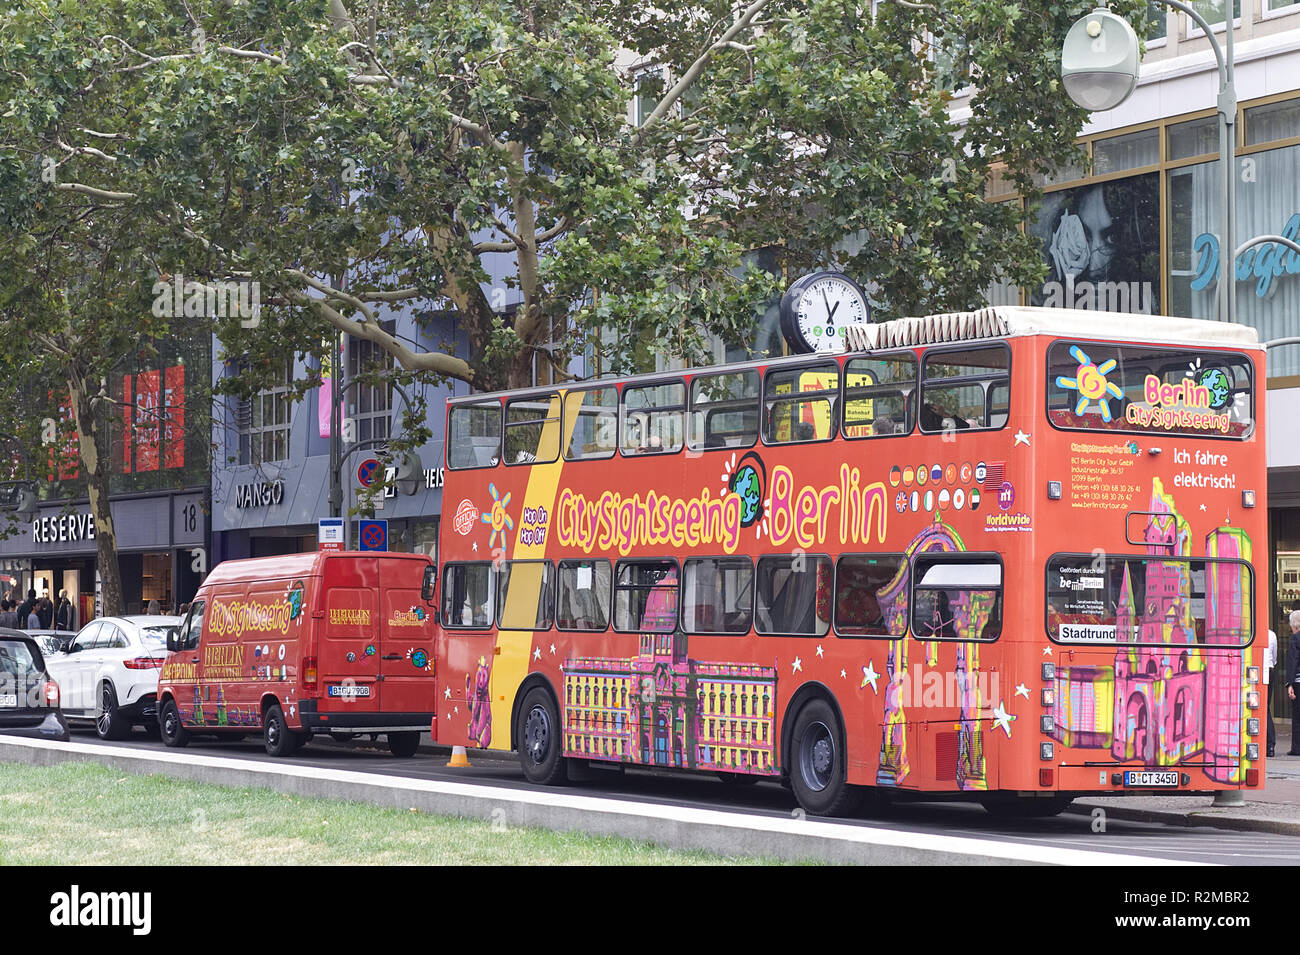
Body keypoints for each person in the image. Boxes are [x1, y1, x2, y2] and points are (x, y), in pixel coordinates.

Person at [1287, 611, 1300, 756]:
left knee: (1297, 717)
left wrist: (1289, 684)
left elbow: (1293, 661)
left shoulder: (1295, 639)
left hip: (1298, 682)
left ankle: (1297, 748)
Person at [1266, 626, 1278, 757]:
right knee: (1265, 708)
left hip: (1253, 668)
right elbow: (1274, 658)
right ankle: (1270, 745)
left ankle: (1269, 743)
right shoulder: (1272, 634)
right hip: (1268, 669)